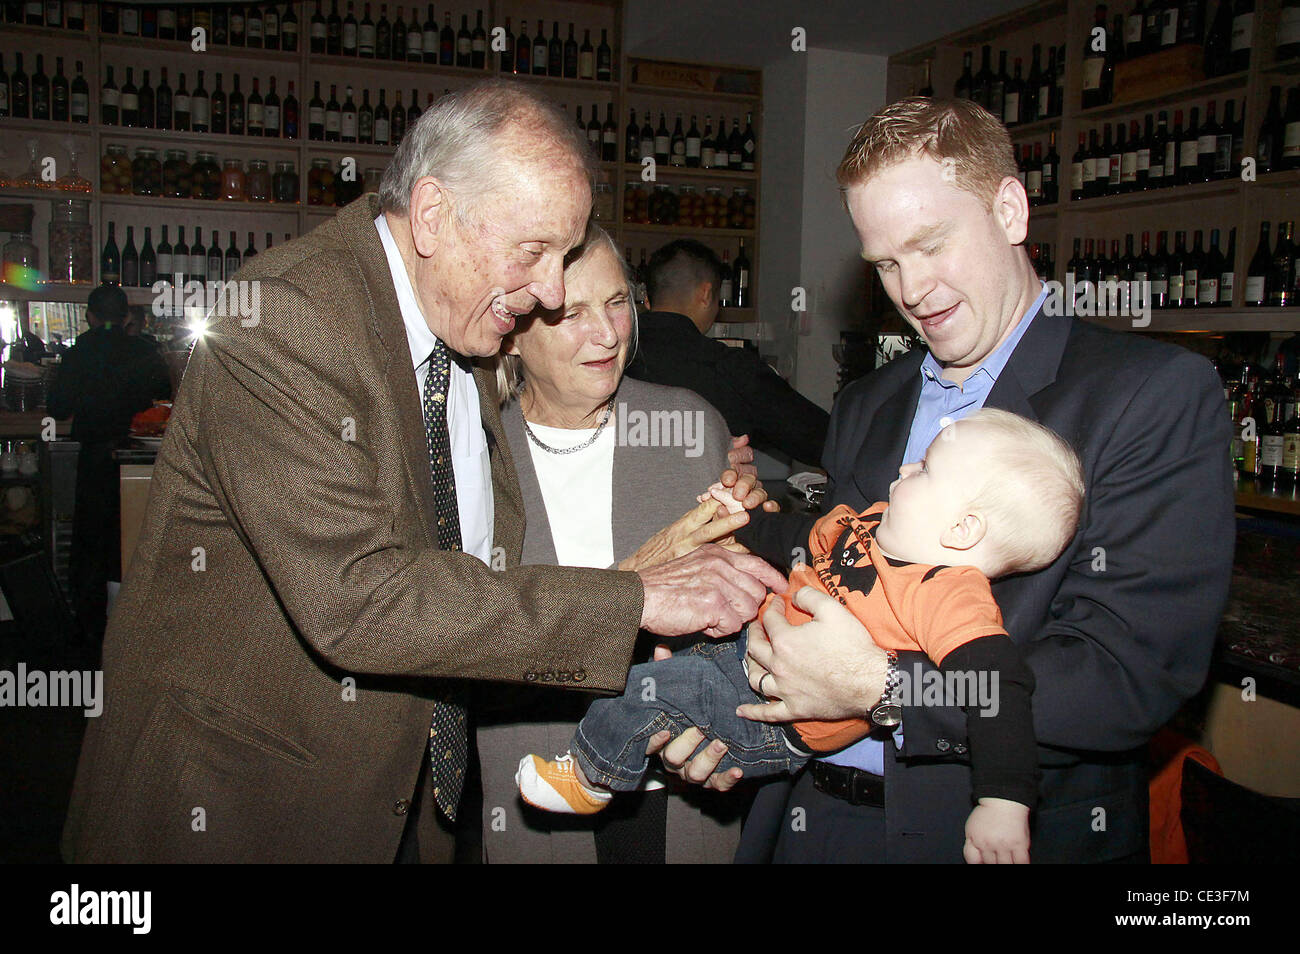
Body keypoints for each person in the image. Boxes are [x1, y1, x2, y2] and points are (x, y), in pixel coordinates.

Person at [61, 80, 784, 864]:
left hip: (405, 808)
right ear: (434, 214)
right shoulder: (287, 318)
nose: (549, 292)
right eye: (533, 251)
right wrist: (639, 598)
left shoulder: (466, 337)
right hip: (239, 808)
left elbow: (472, 580)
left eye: (565, 257)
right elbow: (361, 596)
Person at [710, 96, 1234, 863]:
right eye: (886, 263)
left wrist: (887, 688)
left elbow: (1126, 676)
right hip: (808, 817)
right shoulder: (867, 403)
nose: (912, 289)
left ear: (1011, 209)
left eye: (931, 245)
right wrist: (727, 684)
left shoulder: (1151, 394)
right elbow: (832, 574)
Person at [518, 409, 1085, 864]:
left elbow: (999, 689)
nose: (905, 470)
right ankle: (629, 751)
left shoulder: (946, 591)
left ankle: (591, 774)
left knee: (642, 688)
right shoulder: (873, 522)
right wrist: (742, 517)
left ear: (963, 529)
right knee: (663, 654)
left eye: (927, 470)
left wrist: (1003, 800)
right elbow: (793, 532)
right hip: (742, 654)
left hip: (780, 717)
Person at [476, 227, 757, 863]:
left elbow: (738, 620)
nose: (607, 333)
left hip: (683, 787)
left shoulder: (688, 426)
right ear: (514, 331)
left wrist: (731, 733)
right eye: (572, 312)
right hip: (539, 779)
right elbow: (462, 649)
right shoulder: (478, 456)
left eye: (617, 302)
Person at [624, 239, 829, 466]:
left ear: (648, 301)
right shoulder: (730, 369)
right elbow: (825, 442)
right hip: (704, 500)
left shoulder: (611, 358)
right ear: (706, 293)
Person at [46, 285, 172, 643]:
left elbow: (58, 409)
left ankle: (89, 632)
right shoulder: (145, 352)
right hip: (139, 460)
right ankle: (134, 628)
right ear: (127, 317)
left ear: (89, 316)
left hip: (96, 457)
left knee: (90, 543)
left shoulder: (78, 352)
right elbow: (166, 397)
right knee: (133, 541)